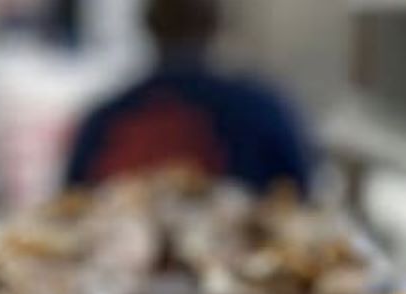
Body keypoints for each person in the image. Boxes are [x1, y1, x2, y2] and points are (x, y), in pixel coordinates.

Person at [65, 0, 318, 194]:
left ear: (148, 24)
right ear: (216, 22)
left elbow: (65, 209)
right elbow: (305, 200)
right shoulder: (264, 111)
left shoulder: (104, 120)